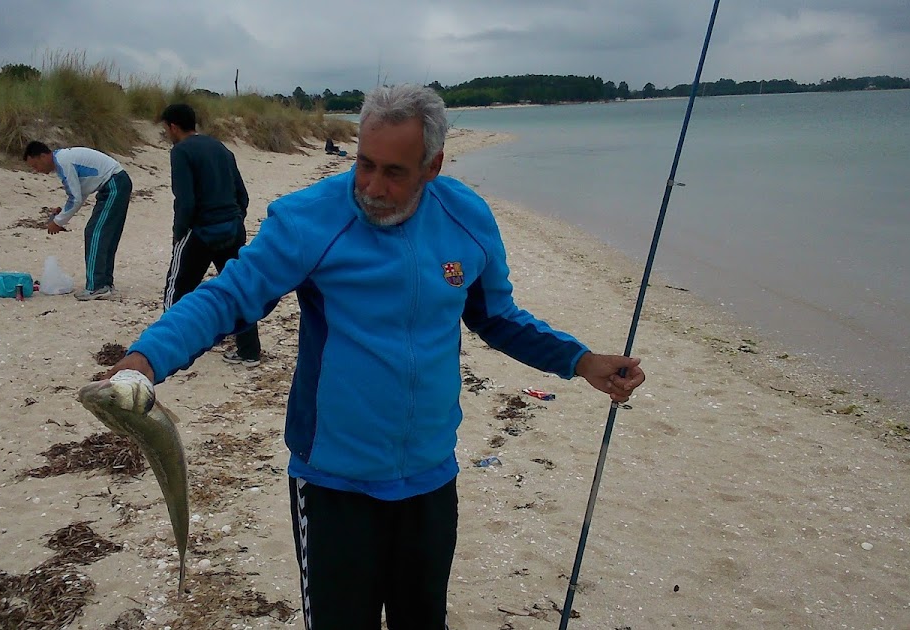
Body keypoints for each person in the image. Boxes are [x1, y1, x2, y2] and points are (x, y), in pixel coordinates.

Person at [106, 84, 645, 629]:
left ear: (432, 166)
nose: (372, 187)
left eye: (394, 172)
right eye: (364, 164)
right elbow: (230, 295)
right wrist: (146, 359)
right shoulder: (309, 219)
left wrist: (580, 360)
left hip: (431, 479)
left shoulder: (468, 219)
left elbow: (498, 317)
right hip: (333, 483)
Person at [158, 103, 262, 367]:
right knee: (238, 288)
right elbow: (243, 194)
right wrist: (236, 219)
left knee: (178, 288)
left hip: (201, 231)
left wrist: (179, 233)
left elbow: (186, 201)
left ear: (172, 126)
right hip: (232, 227)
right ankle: (249, 352)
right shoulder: (220, 147)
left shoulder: (181, 151)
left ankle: (171, 345)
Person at [23, 141, 133, 300]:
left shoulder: (63, 162)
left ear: (43, 156)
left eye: (35, 165)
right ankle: (104, 283)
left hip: (113, 185)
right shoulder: (64, 159)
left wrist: (58, 222)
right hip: (116, 183)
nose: (36, 170)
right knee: (105, 234)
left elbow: (75, 198)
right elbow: (78, 195)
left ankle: (97, 286)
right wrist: (60, 218)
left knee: (95, 233)